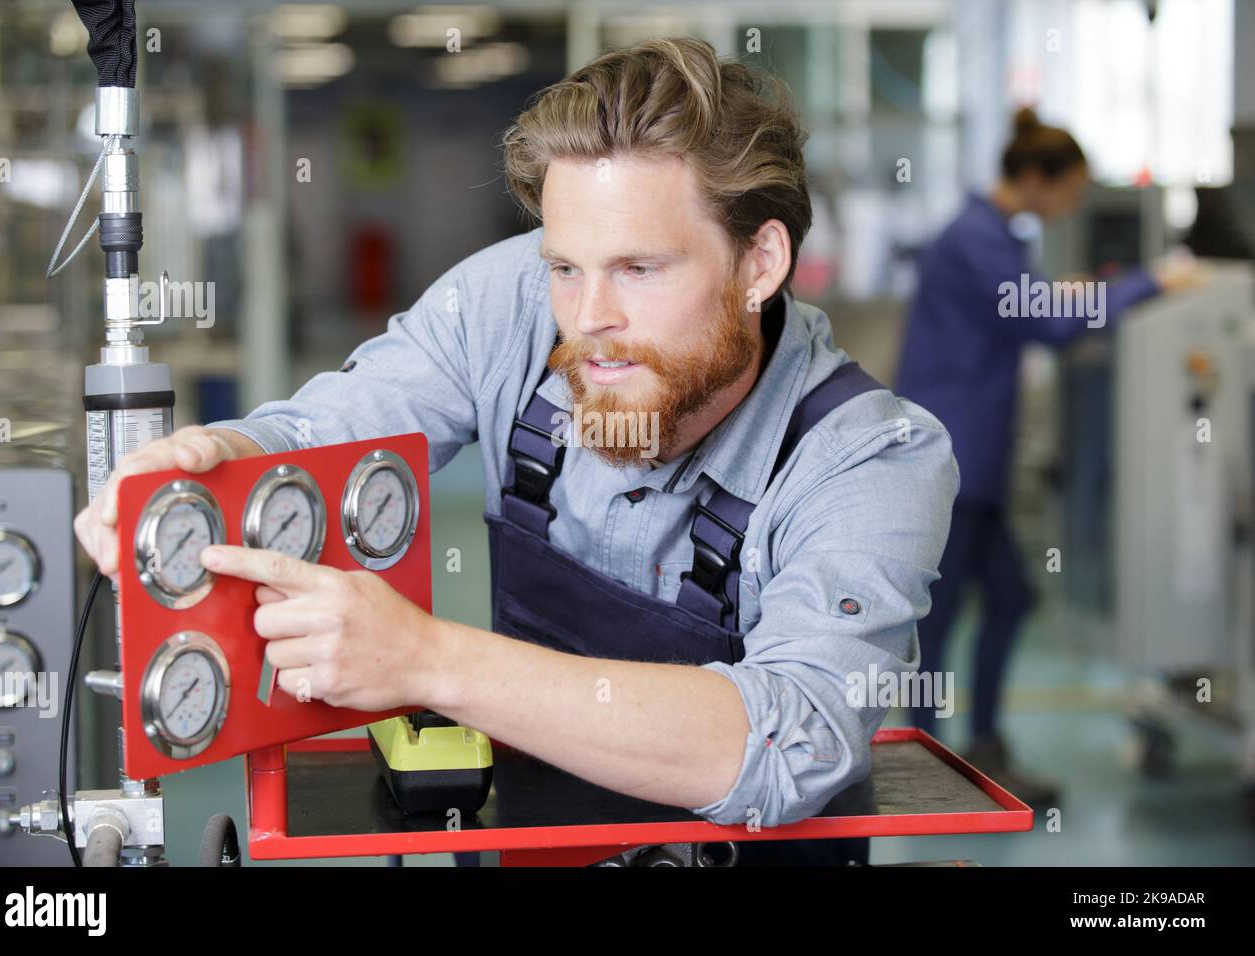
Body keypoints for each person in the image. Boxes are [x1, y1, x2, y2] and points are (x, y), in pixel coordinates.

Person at [75, 38, 958, 865]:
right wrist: (217, 455)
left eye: (639, 270)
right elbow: (327, 432)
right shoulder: (510, 301)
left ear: (760, 262)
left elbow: (789, 740)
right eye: (566, 267)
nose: (587, 320)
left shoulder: (871, 458)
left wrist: (426, 659)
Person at [895, 107, 1199, 806]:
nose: (1073, 207)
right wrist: (1151, 283)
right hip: (953, 462)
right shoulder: (979, 239)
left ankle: (977, 748)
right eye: (1070, 191)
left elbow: (1027, 309)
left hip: (968, 458)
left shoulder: (990, 237)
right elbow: (1048, 323)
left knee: (1006, 597)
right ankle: (927, 760)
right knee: (945, 618)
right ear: (1035, 178)